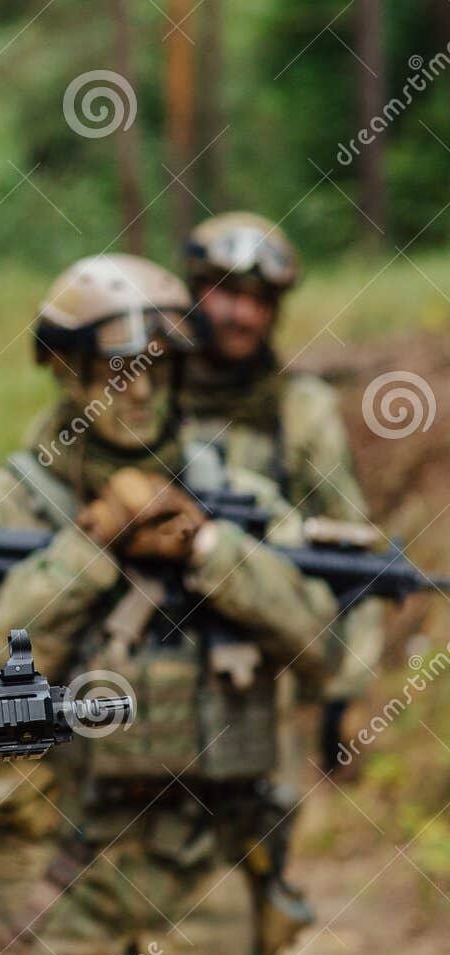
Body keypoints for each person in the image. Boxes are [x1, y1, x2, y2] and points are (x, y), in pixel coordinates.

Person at [0, 255, 337, 955]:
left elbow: (322, 646)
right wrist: (92, 550)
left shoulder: (239, 498)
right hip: (55, 851)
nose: (141, 393)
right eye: (115, 372)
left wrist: (210, 548)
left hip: (199, 855)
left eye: (162, 370)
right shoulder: (3, 504)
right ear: (67, 368)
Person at [180, 213, 382, 764]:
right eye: (227, 293)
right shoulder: (146, 396)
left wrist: (346, 691)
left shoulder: (301, 410)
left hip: (261, 680)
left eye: (259, 300)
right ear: (195, 290)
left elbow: (355, 554)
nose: (242, 313)